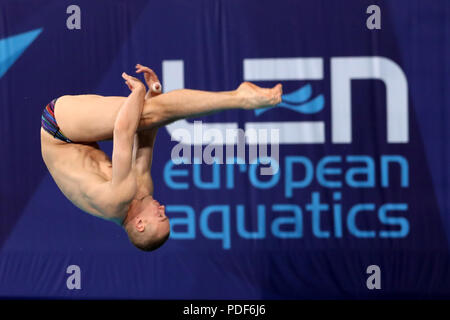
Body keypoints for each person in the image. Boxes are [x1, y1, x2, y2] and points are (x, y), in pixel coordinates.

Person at [40, 64, 282, 251]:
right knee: (151, 115)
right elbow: (144, 141)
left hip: (58, 128)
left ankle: (240, 98)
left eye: (161, 216)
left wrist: (139, 92)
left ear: (140, 224)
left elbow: (123, 131)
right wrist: (154, 96)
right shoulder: (143, 191)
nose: (163, 208)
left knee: (146, 115)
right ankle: (239, 97)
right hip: (79, 138)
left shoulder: (117, 198)